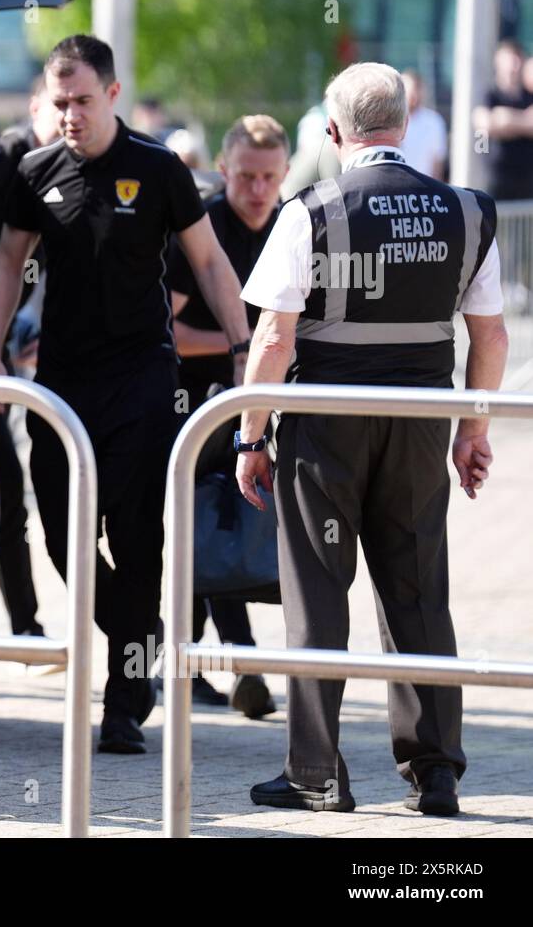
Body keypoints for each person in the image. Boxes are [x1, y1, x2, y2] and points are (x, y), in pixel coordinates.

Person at [236, 62, 508, 816]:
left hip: (326, 425)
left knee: (318, 596)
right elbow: (489, 334)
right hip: (421, 421)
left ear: (332, 132)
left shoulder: (309, 210)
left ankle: (317, 776)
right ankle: (437, 773)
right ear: (407, 122)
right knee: (418, 588)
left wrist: (248, 437)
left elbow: (273, 336)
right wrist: (471, 430)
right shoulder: (469, 212)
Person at [0, 35, 252, 755]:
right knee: (65, 538)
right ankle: (138, 629)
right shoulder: (36, 171)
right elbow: (8, 263)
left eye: (82, 100)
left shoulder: (158, 170)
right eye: (59, 101)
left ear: (112, 94)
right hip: (61, 384)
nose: (70, 114)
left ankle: (124, 701)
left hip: (142, 380)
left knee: (135, 538)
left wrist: (243, 346)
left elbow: (210, 261)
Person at [164, 114, 292, 720]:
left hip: (259, 404)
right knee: (204, 531)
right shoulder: (202, 228)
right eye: (246, 176)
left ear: (285, 173)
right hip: (194, 407)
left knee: (230, 532)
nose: (257, 189)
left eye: (269, 177)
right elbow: (169, 328)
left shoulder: (294, 225)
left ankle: (217, 664)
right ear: (223, 169)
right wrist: (248, 345)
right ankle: (227, 661)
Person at [0, 77, 60, 641]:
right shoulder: (0, 169)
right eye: (60, 106)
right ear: (34, 107)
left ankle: (25, 624)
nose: (71, 119)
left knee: (4, 490)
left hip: (12, 351)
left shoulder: (72, 173)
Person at [473, 40, 533, 200]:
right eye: (509, 60)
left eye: (517, 60)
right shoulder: (489, 96)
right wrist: (523, 122)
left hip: (526, 182)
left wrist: (504, 120)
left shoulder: (529, 97)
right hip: (496, 181)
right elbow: (484, 126)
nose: (513, 67)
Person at [400, 69, 448, 180]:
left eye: (416, 89)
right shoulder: (391, 121)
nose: (413, 96)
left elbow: (438, 162)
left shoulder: (434, 121)